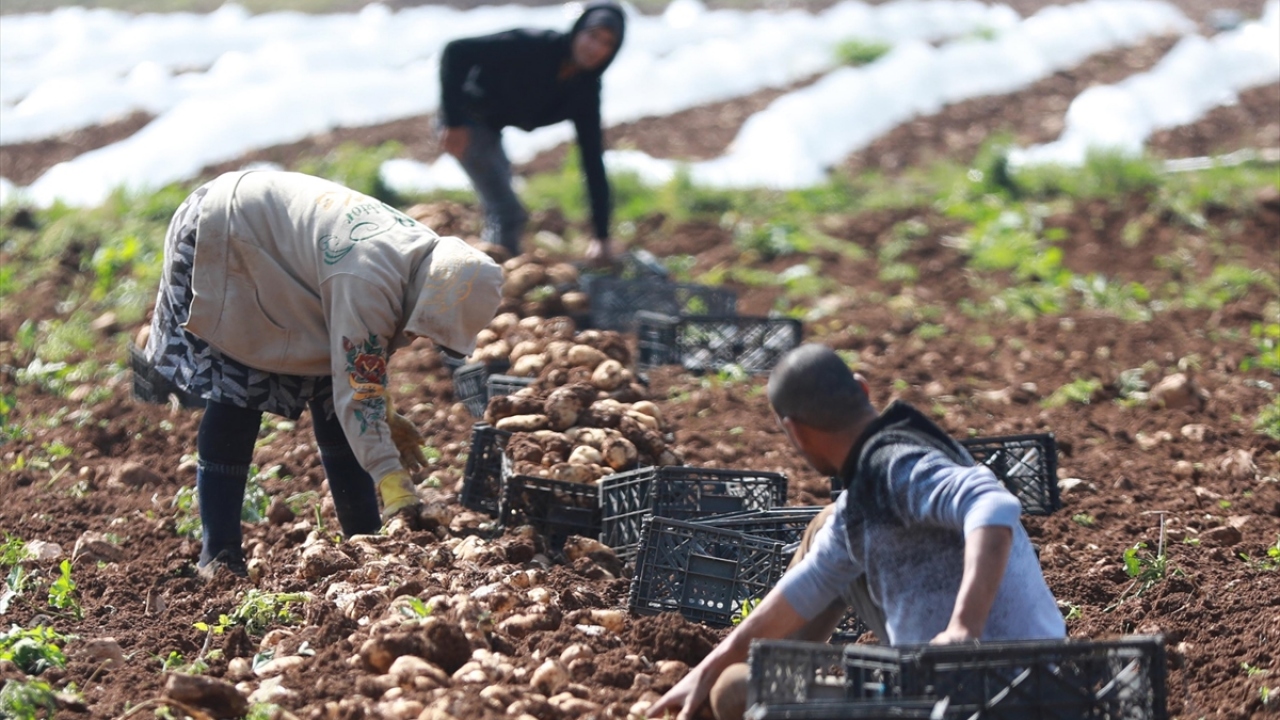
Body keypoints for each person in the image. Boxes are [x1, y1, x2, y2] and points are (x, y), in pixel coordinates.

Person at [647, 344, 1066, 720]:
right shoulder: (867, 496)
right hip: (1049, 685)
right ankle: (758, 678)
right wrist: (707, 667)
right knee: (731, 681)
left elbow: (992, 504)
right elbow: (802, 589)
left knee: (737, 693)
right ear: (863, 390)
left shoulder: (894, 467)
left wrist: (962, 630)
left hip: (978, 697)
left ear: (794, 430)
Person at [141, 169, 503, 578]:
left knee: (332, 397)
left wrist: (380, 408)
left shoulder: (425, 258)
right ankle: (219, 557)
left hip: (272, 242)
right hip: (227, 233)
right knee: (238, 391)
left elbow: (354, 377)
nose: (419, 337)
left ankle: (363, 538)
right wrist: (393, 482)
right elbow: (358, 390)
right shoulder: (368, 280)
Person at [437, 1, 625, 264]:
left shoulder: (584, 90)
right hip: (467, 121)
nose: (596, 48)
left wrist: (601, 236)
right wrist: (453, 121)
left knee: (500, 208)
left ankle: (488, 273)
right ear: (578, 31)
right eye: (592, 36)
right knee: (508, 212)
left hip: (491, 129)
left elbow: (592, 159)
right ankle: (492, 282)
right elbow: (456, 51)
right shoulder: (532, 44)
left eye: (607, 43)